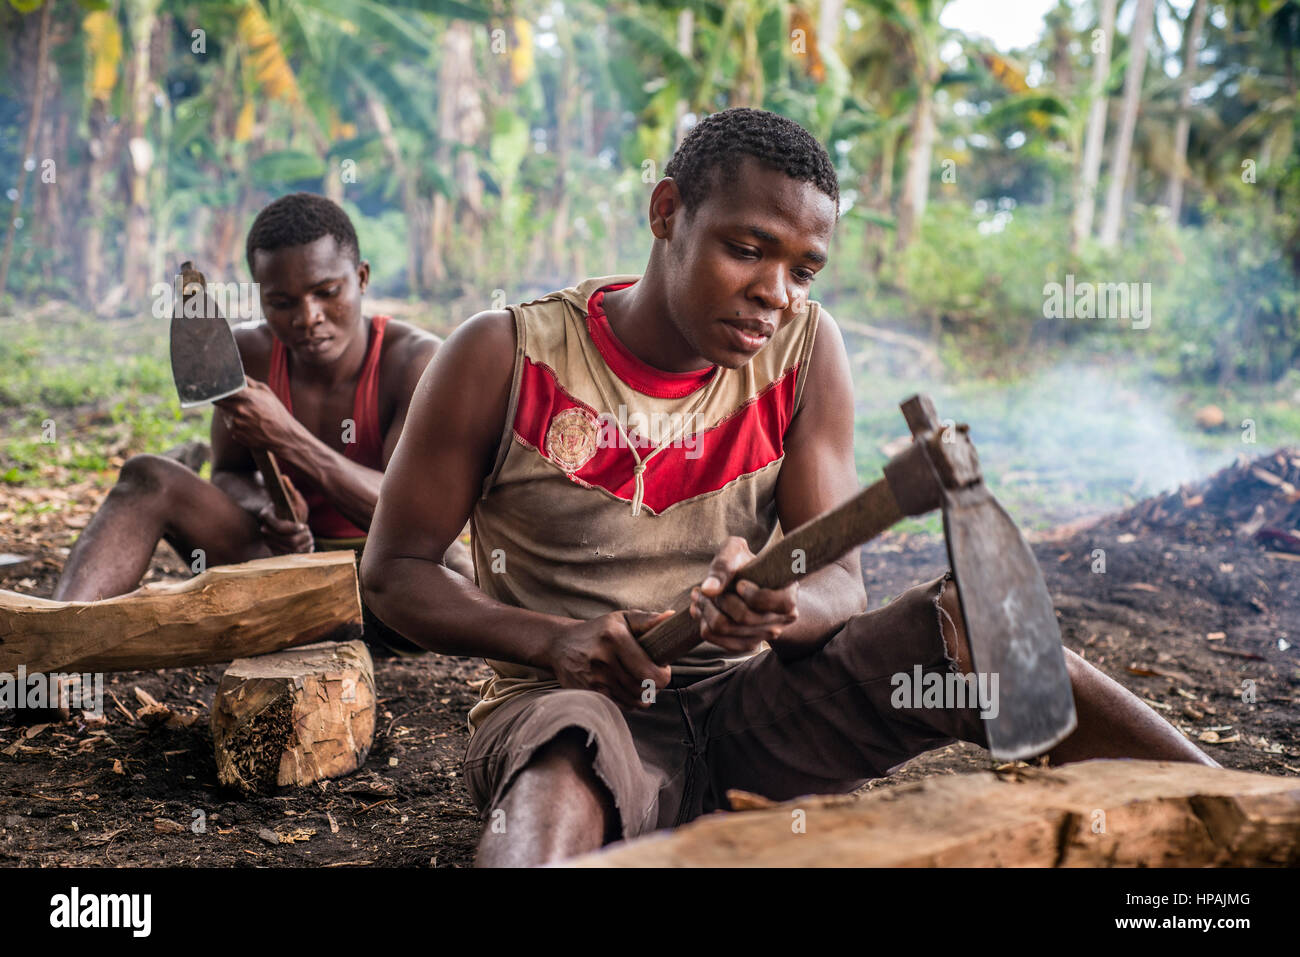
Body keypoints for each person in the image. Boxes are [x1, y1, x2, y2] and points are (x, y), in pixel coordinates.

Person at [359, 108, 1217, 867]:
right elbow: (393, 572)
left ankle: (1246, 812)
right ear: (667, 214)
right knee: (560, 767)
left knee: (965, 630)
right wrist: (552, 640)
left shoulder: (806, 351)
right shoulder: (504, 355)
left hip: (750, 712)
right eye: (747, 249)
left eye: (805, 269)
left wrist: (780, 610)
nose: (776, 293)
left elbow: (839, 581)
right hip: (572, 707)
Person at [53, 192, 471, 652]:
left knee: (462, 568)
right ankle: (54, 645)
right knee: (149, 477)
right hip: (280, 571)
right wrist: (268, 509)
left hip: (387, 589)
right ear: (261, 298)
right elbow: (230, 473)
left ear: (362, 278)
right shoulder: (247, 353)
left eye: (327, 293)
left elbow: (413, 519)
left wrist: (288, 438)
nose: (307, 318)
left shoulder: (413, 361)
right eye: (282, 302)